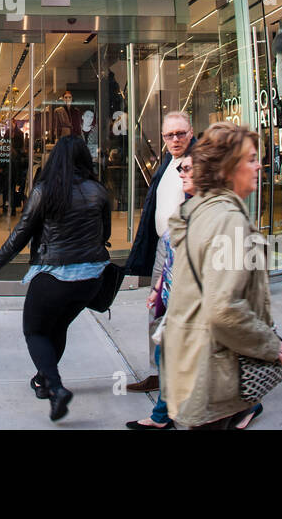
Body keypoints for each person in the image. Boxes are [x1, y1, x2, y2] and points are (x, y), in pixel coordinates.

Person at [162, 121, 282, 428]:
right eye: (249, 158)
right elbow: (224, 308)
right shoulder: (228, 221)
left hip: (194, 365)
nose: (258, 165)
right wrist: (271, 345)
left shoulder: (202, 211)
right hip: (211, 374)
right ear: (228, 169)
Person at [0, 134, 110, 422]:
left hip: (55, 274)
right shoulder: (98, 190)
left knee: (35, 331)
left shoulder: (45, 190)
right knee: (58, 327)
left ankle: (54, 387)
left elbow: (22, 231)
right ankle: (44, 381)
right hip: (92, 277)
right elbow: (103, 235)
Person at [125, 111, 195, 395]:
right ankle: (158, 372)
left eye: (180, 133)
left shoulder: (197, 162)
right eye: (169, 135)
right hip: (163, 245)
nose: (175, 139)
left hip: (184, 246)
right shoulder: (168, 161)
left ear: (191, 132)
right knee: (156, 310)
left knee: (183, 314)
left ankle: (181, 379)